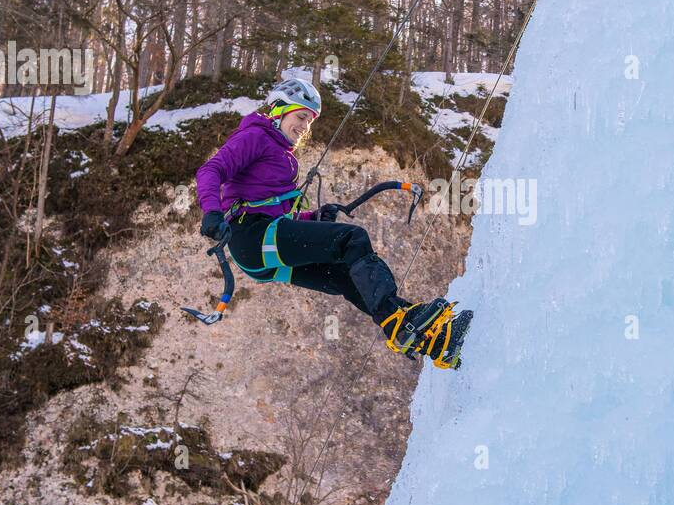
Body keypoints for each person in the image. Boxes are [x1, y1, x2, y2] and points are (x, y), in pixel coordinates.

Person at [194, 78, 468, 367]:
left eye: (310, 121)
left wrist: (312, 219)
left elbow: (275, 212)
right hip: (251, 236)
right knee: (352, 239)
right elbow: (211, 170)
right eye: (301, 116)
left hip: (263, 245)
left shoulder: (280, 154)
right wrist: (211, 212)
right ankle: (399, 323)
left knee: (342, 275)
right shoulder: (255, 136)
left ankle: (433, 342)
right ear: (278, 110)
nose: (305, 127)